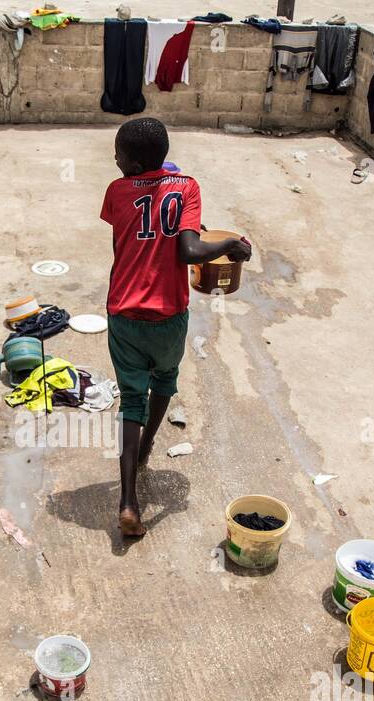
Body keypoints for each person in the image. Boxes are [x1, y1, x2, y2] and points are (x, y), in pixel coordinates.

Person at [99, 118, 251, 537]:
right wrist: (231, 244)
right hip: (168, 314)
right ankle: (148, 446)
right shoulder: (186, 187)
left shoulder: (116, 191)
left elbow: (133, 225)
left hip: (125, 312)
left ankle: (128, 501)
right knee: (164, 379)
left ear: (131, 162)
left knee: (132, 398)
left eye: (119, 154)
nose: (114, 159)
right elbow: (190, 250)